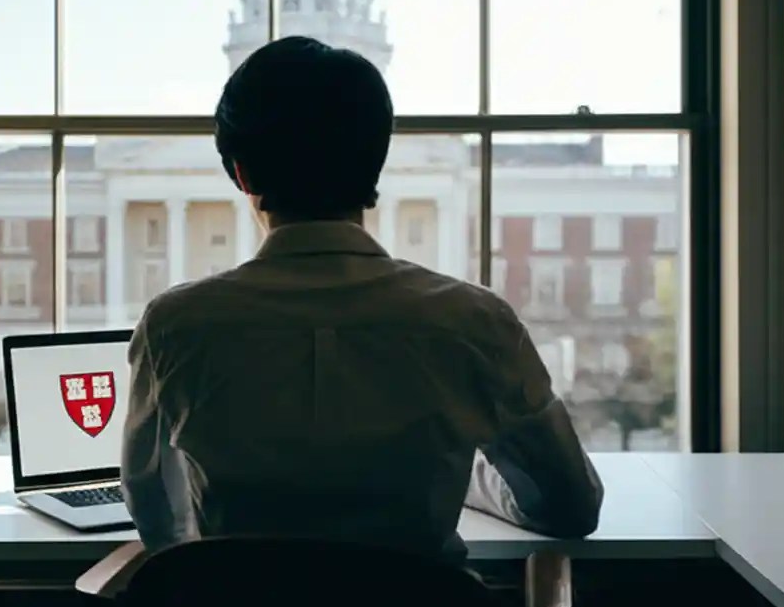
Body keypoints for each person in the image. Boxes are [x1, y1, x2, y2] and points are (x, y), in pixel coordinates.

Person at [121, 36, 604, 565]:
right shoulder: (474, 321)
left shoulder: (176, 325)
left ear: (241, 173)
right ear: (375, 163)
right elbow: (569, 507)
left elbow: (160, 521)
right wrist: (455, 467)